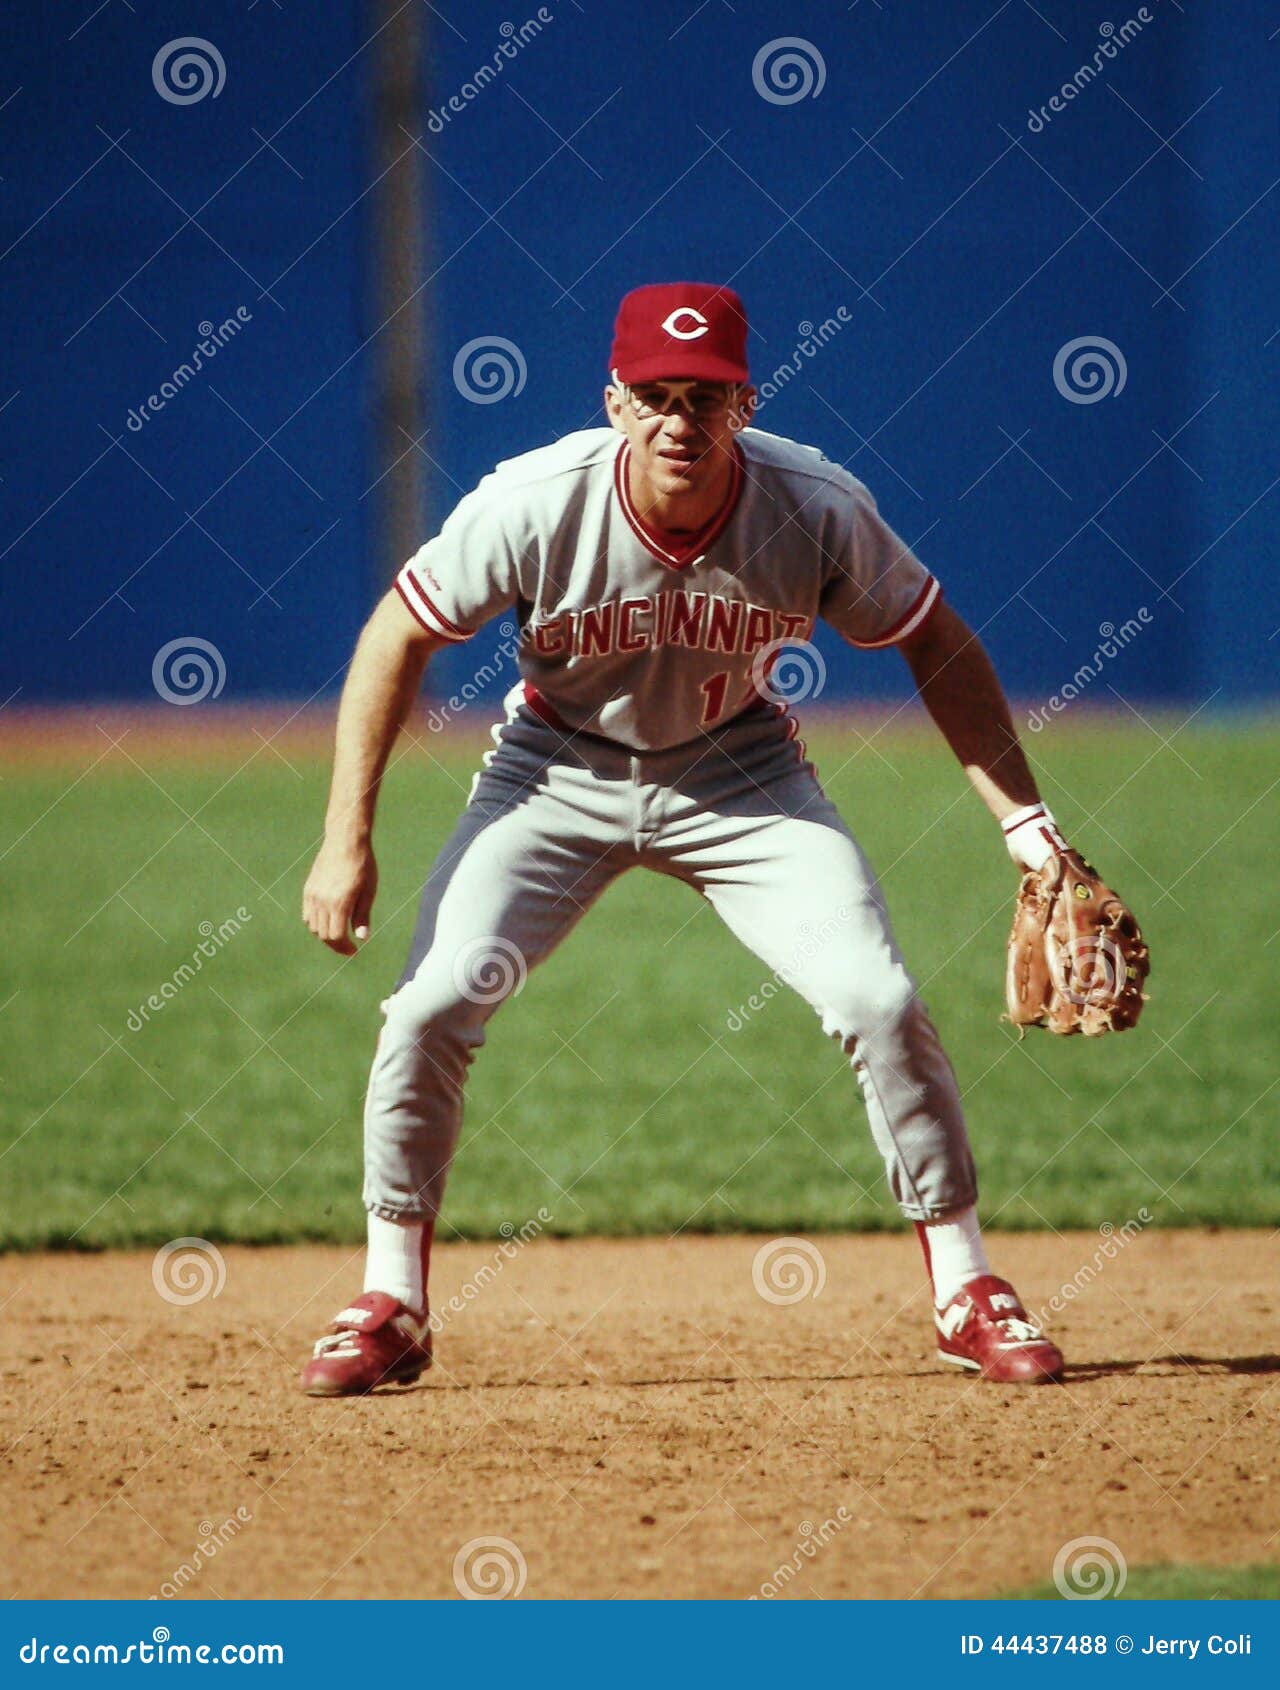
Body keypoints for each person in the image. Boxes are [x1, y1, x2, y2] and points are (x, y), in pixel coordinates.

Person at [299, 281, 1076, 1396]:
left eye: (704, 399)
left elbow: (934, 642)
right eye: (655, 396)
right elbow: (395, 635)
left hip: (738, 772)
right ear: (613, 401)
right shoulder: (531, 501)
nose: (679, 422)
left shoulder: (811, 503)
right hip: (553, 772)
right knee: (430, 1003)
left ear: (743, 401)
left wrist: (1028, 828)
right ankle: (390, 1299)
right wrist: (345, 839)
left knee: (876, 998)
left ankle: (965, 1288)